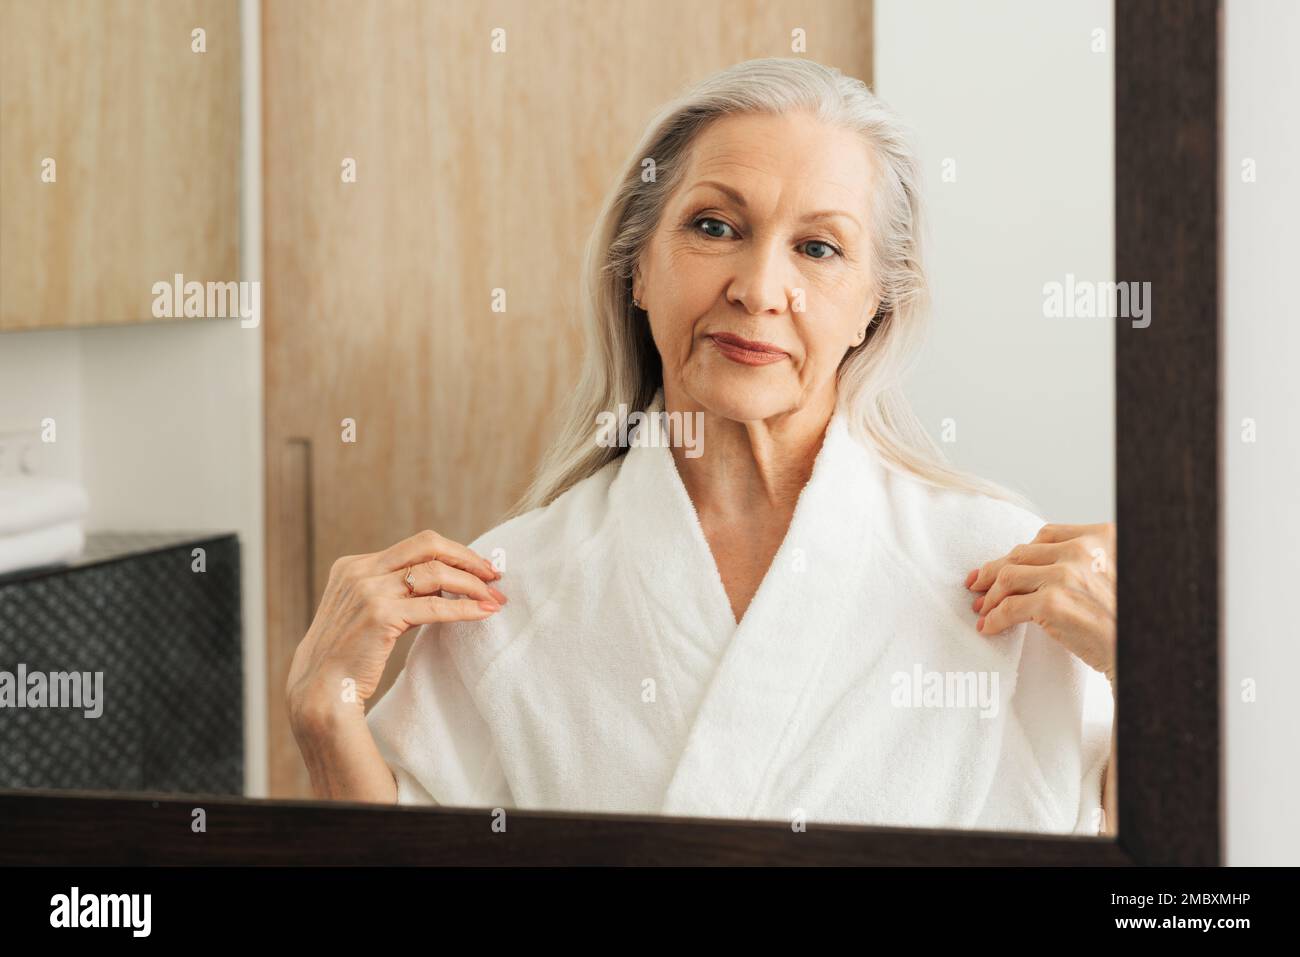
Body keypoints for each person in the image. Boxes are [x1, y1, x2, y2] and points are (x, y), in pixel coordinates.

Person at [287, 57, 1116, 835]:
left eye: (819, 248)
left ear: (875, 306)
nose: (757, 289)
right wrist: (327, 714)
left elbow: (1140, 882)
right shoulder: (513, 592)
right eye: (715, 226)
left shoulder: (996, 570)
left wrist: (1149, 674)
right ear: (637, 269)